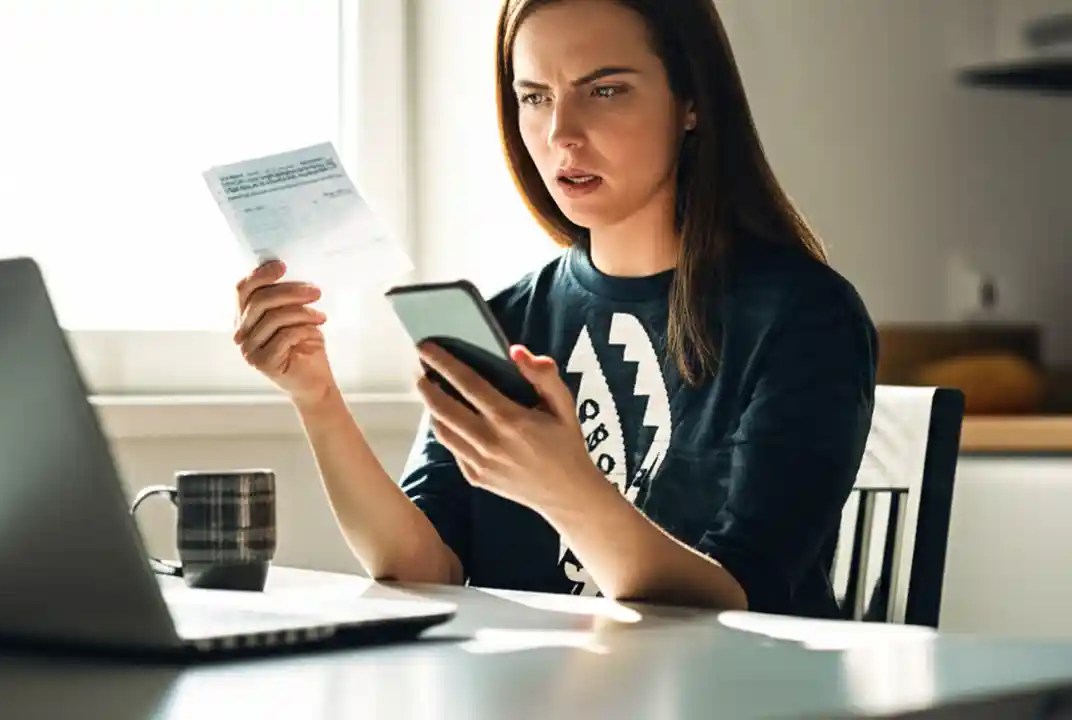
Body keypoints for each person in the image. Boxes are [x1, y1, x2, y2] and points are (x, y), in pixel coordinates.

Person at [231, 0, 876, 618]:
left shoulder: (805, 320)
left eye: (605, 90)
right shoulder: (507, 319)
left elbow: (743, 602)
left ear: (691, 102)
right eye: (535, 97)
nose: (562, 133)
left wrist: (566, 489)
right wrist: (315, 396)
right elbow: (420, 565)